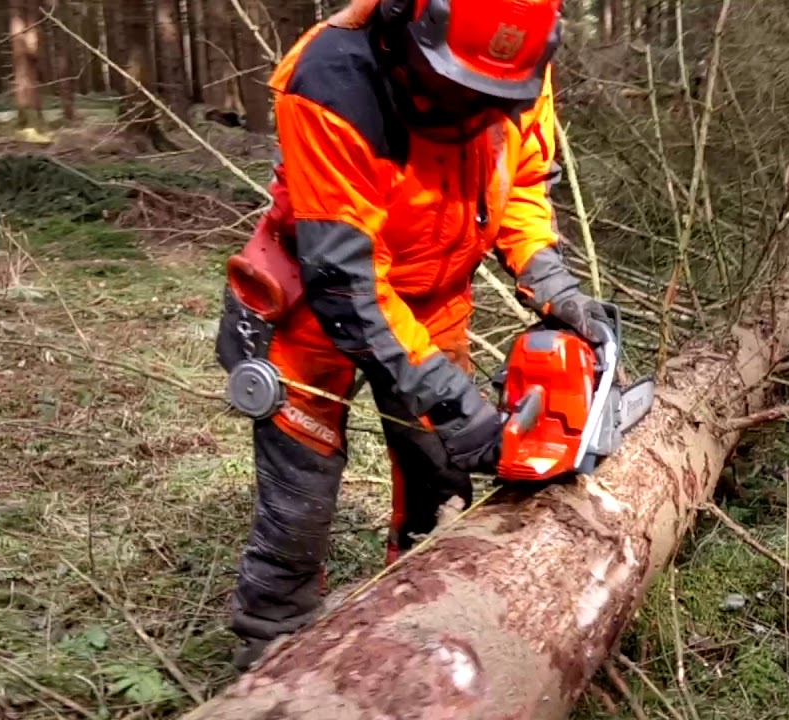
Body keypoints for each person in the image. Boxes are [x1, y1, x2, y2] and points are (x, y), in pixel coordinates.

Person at [213, 0, 610, 671]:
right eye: (458, 91)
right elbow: (346, 282)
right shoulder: (333, 82)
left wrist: (553, 283)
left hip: (433, 300)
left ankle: (427, 609)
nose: (472, 112)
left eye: (491, 98)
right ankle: (273, 648)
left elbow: (519, 192)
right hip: (313, 302)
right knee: (301, 492)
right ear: (408, 29)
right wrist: (453, 399)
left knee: (441, 471)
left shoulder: (513, 63)